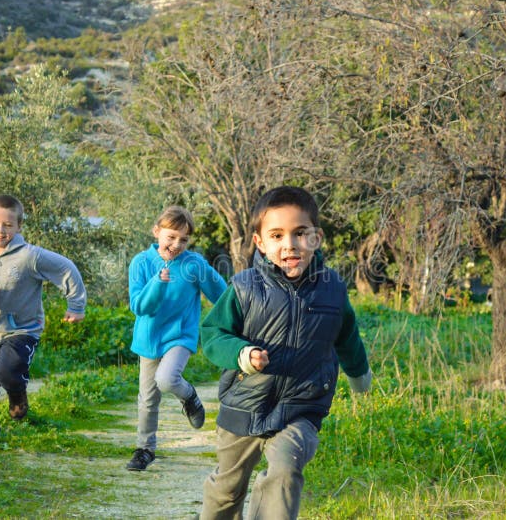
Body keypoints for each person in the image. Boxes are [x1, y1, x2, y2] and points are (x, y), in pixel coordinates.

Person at [199, 186, 373, 519]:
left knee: (284, 472)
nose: (289, 244)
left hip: (301, 410)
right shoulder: (244, 287)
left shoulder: (333, 290)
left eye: (300, 233)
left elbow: (348, 337)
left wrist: (359, 377)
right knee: (227, 489)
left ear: (317, 238)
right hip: (243, 405)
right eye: (276, 235)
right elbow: (212, 334)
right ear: (260, 243)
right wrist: (242, 354)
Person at [0, 194, 86, 445]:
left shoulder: (30, 256)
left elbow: (66, 269)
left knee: (7, 370)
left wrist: (75, 305)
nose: (1, 230)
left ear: (19, 226)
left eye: (8, 225)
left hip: (23, 329)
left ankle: (17, 394)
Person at [125, 206, 227, 471]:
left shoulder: (194, 264)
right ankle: (145, 449)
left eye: (183, 239)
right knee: (147, 398)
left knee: (167, 379)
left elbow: (222, 295)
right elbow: (139, 307)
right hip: (149, 339)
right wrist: (158, 283)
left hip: (180, 336)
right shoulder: (141, 263)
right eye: (171, 236)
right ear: (157, 232)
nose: (177, 244)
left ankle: (189, 396)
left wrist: (241, 318)